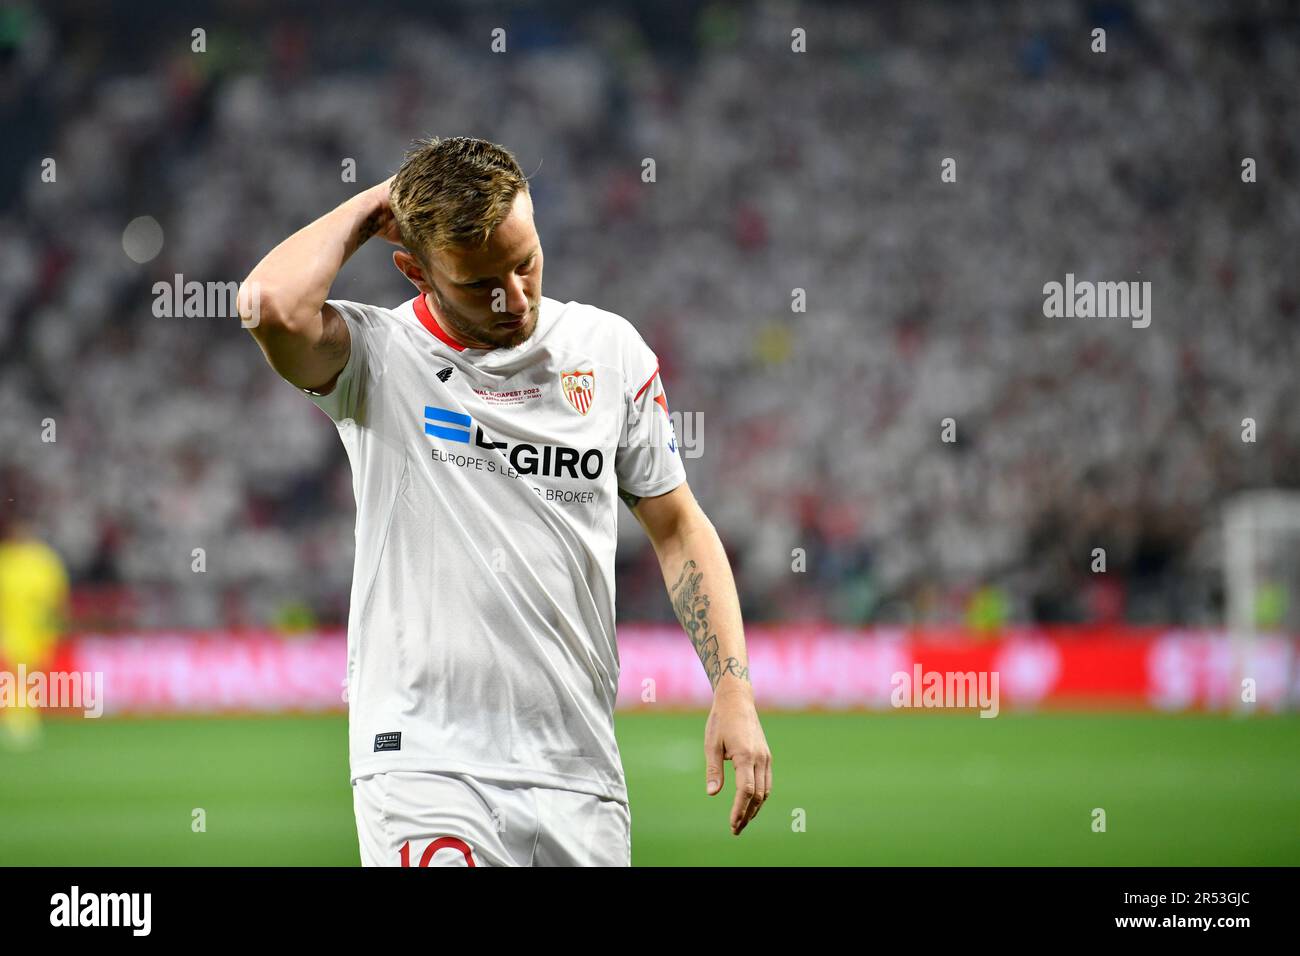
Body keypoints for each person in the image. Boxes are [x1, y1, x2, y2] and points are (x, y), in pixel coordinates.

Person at [238, 135, 771, 866]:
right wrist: (374, 204)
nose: (514, 297)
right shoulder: (380, 356)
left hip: (579, 772)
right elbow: (270, 306)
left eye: (526, 264)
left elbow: (679, 527)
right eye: (481, 282)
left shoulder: (609, 353)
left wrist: (732, 688)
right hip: (426, 762)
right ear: (415, 271)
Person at [0, 517, 70, 750]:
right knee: (19, 671)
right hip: (15, 625)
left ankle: (24, 716)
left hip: (35, 627)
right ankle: (20, 720)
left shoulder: (41, 559)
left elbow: (57, 595)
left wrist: (56, 620)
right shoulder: (11, 559)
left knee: (29, 672)